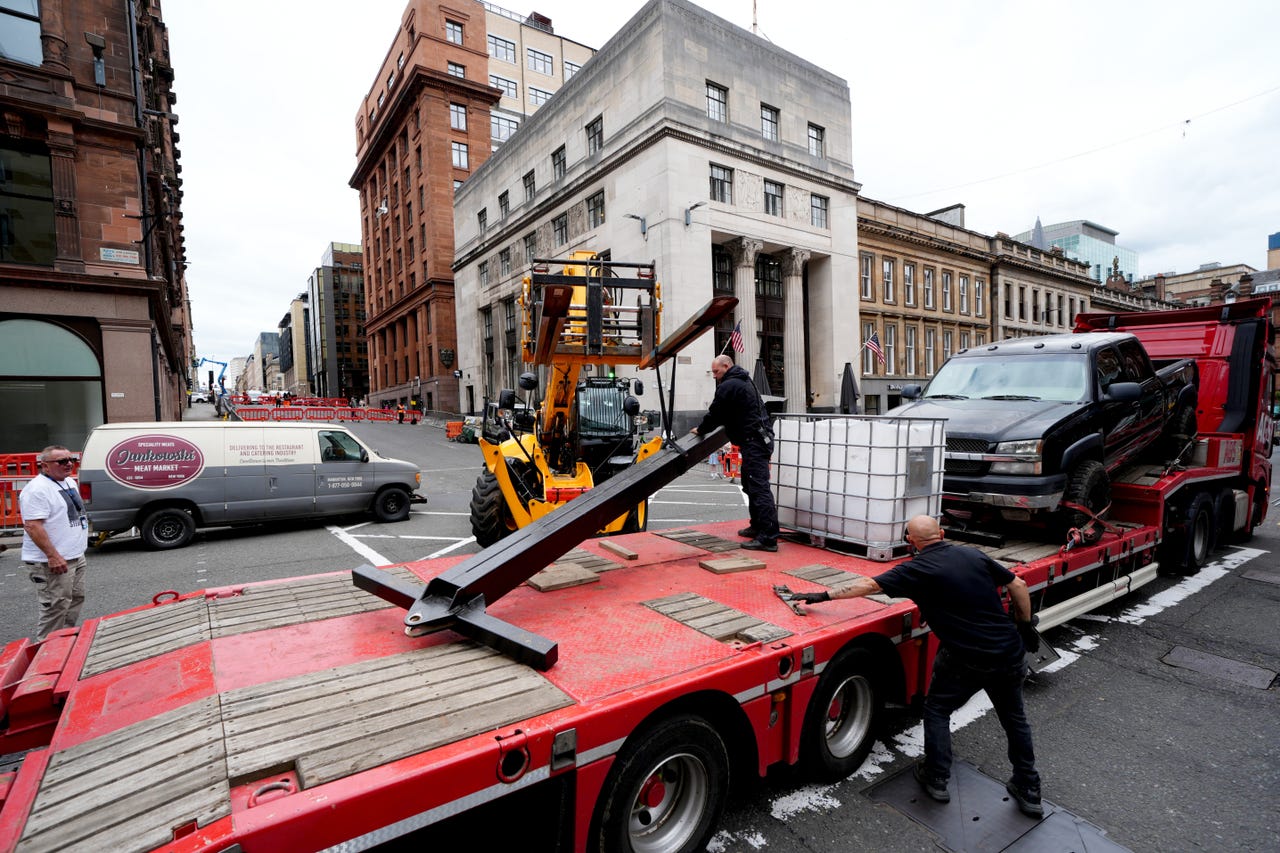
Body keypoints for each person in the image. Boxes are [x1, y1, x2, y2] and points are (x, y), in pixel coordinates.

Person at [790, 514, 1044, 817]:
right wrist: (1025, 625)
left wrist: (822, 595)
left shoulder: (916, 569)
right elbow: (1017, 583)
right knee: (1015, 720)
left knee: (937, 710)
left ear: (910, 542)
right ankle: (1029, 789)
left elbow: (868, 585)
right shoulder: (972, 554)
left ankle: (936, 777)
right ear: (942, 532)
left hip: (964, 658)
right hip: (1007, 654)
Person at [691, 354, 778, 551]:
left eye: (716, 371)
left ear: (726, 366)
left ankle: (768, 538)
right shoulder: (745, 380)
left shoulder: (729, 385)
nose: (714, 375)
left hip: (754, 441)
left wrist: (701, 429)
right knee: (750, 485)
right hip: (757, 440)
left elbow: (716, 413)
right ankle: (757, 527)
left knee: (758, 488)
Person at [20, 446, 90, 641]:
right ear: (45, 466)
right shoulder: (36, 490)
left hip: (75, 555)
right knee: (55, 608)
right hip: (52, 560)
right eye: (62, 461)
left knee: (74, 600)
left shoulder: (68, 482)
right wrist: (53, 556)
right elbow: (33, 526)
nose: (68, 464)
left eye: (71, 459)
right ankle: (45, 653)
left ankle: (62, 643)